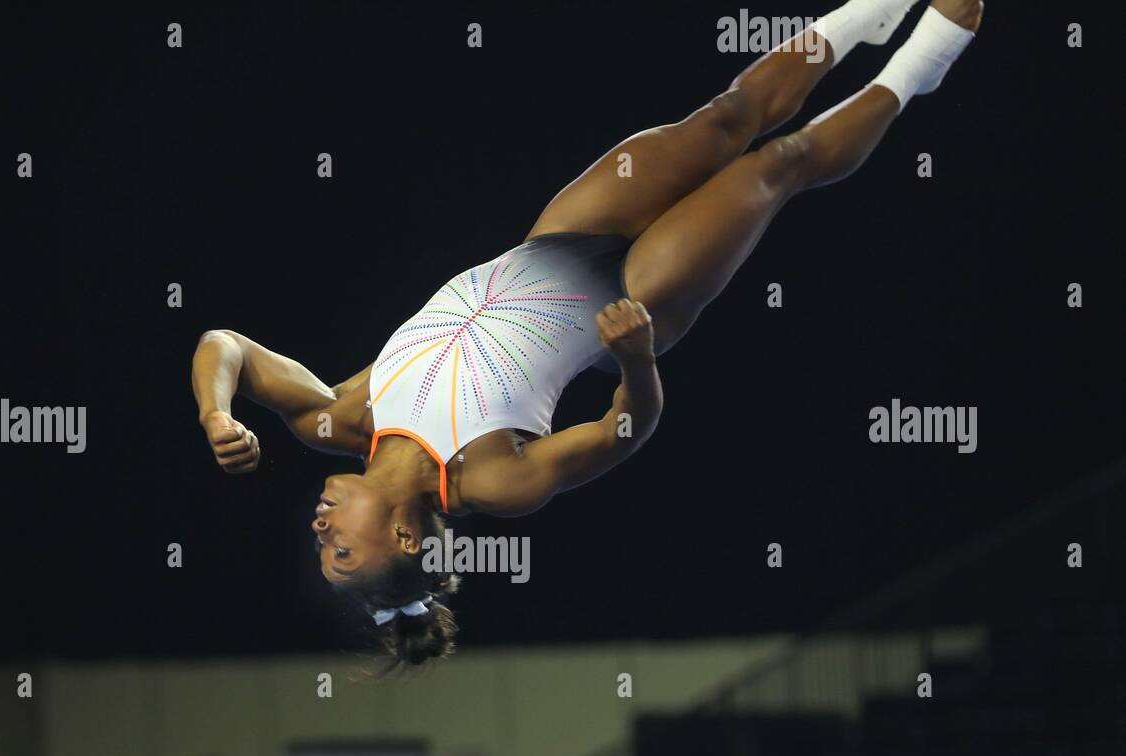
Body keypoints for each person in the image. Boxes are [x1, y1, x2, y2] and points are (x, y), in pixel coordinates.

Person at [191, 0, 981, 671]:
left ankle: (868, 11)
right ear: (404, 535)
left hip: (561, 236)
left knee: (725, 118)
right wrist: (636, 359)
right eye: (341, 553)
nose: (320, 528)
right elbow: (623, 432)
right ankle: (920, 67)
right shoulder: (489, 482)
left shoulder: (341, 415)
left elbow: (224, 344)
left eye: (323, 545)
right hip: (635, 300)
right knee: (780, 161)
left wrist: (217, 413)